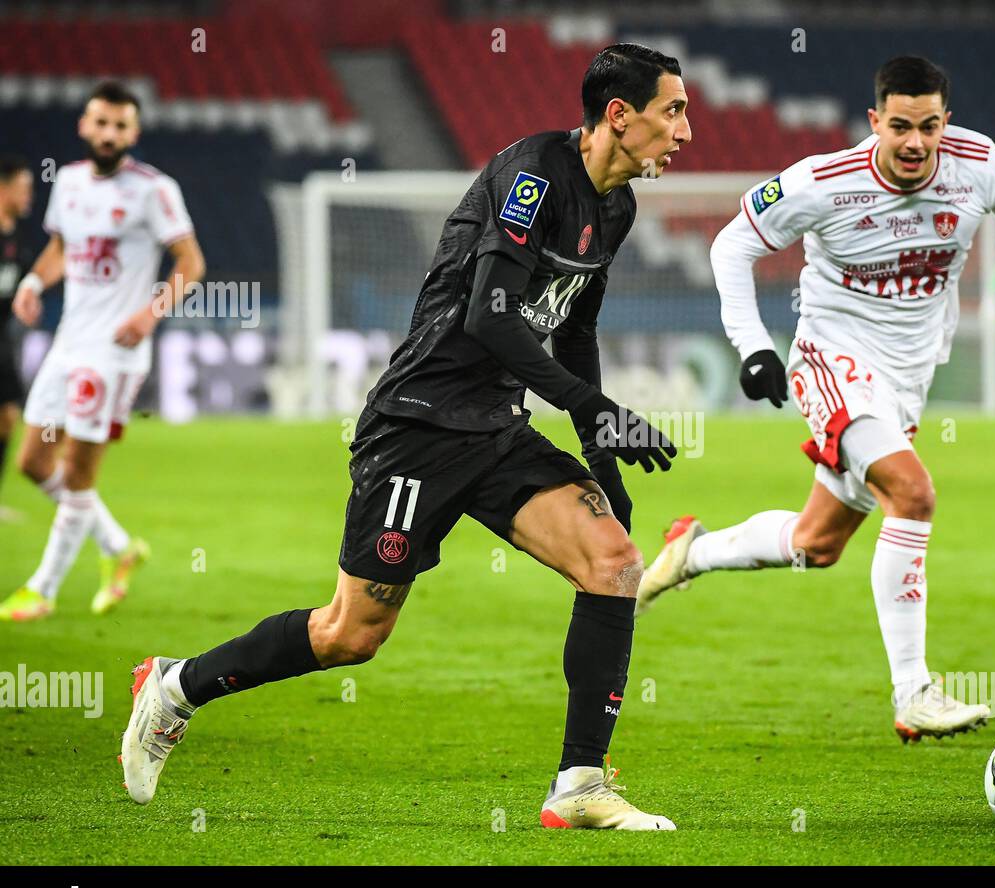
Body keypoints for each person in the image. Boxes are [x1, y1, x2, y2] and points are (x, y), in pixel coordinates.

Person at [121, 44, 692, 831]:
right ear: (620, 115)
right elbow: (489, 316)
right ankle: (175, 687)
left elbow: (575, 329)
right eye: (673, 111)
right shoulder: (532, 177)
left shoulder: (616, 206)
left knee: (614, 564)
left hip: (497, 427)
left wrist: (601, 454)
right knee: (350, 635)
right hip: (418, 425)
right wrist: (593, 410)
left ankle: (580, 785)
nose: (685, 132)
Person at [637, 56, 995, 743]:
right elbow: (731, 245)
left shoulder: (979, 165)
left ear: (946, 122)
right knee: (913, 494)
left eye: (929, 126)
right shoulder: (824, 182)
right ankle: (914, 692)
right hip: (832, 359)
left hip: (906, 380)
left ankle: (693, 552)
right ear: (875, 122)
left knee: (816, 544)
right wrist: (753, 346)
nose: (916, 142)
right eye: (900, 126)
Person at [1, 81, 205, 621]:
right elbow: (61, 249)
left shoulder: (154, 190)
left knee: (77, 471)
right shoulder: (68, 182)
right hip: (68, 342)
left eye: (120, 126)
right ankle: (118, 548)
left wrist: (150, 313)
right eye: (101, 123)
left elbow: (190, 263)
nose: (109, 133)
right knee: (32, 461)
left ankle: (42, 590)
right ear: (84, 126)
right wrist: (32, 283)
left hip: (113, 354)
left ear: (133, 134)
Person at [0, 154, 36, 522]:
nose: (29, 196)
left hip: (2, 339)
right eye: (24, 188)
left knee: (8, 416)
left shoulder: (14, 238)